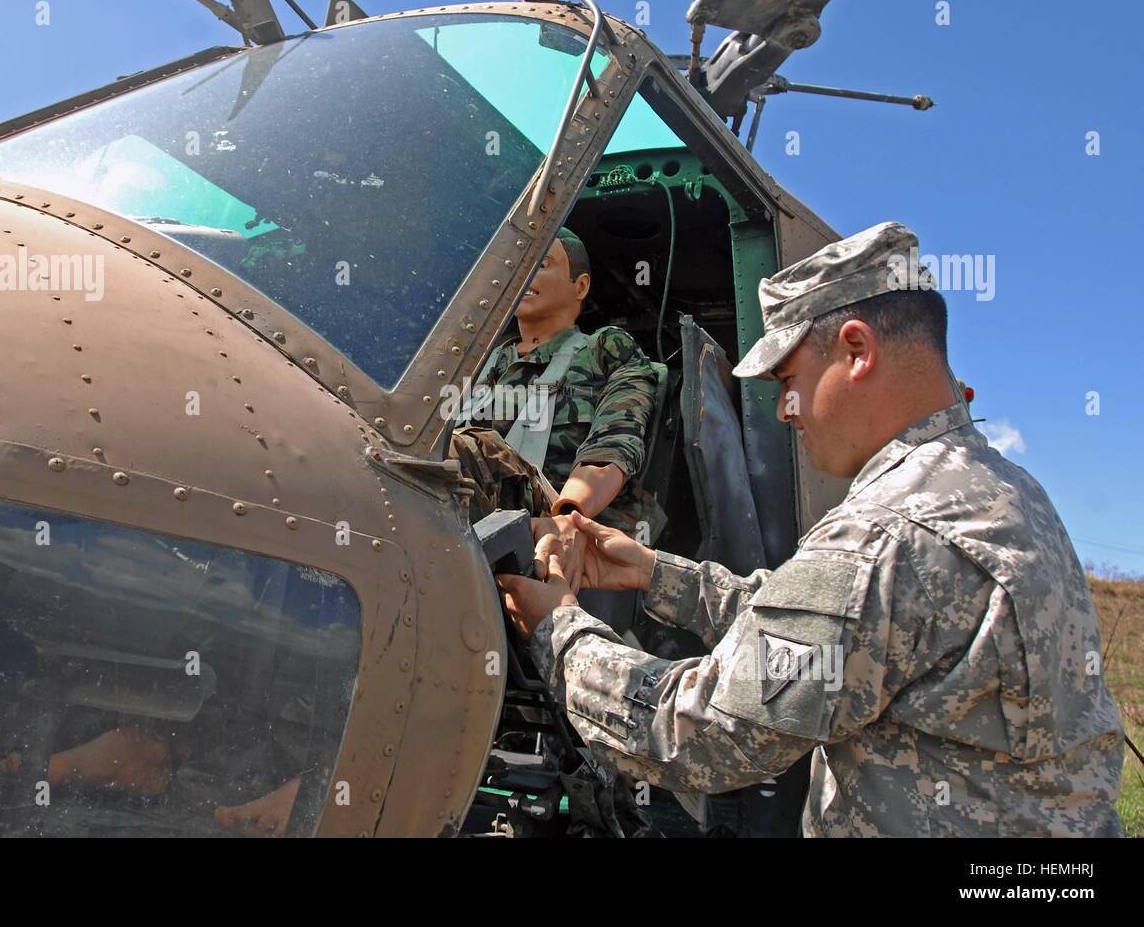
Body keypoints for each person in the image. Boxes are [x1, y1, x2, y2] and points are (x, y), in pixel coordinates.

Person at [500, 222, 1125, 836]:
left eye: (789, 382)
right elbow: (841, 629)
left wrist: (558, 630)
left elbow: (698, 733)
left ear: (856, 351)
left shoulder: (888, 530)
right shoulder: (995, 487)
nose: (782, 411)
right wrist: (655, 573)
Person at [448, 228, 661, 535]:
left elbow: (613, 443)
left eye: (542, 264)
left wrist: (567, 518)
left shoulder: (603, 350)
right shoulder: (483, 357)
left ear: (581, 286)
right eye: (519, 264)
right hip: (459, 495)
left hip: (543, 509)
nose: (525, 273)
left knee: (450, 456)